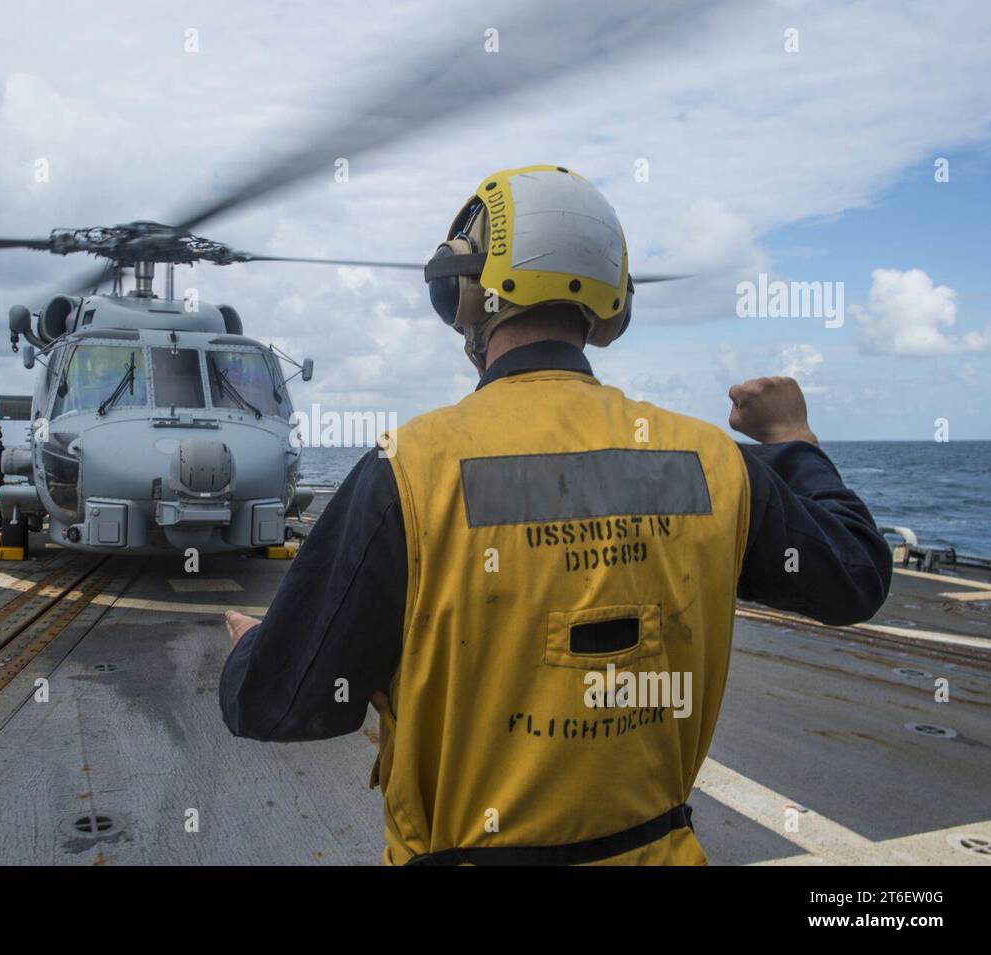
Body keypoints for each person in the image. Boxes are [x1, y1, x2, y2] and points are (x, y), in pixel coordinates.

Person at [218, 165, 892, 866]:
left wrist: (249, 654)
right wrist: (793, 439)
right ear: (607, 308)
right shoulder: (715, 461)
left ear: (470, 294)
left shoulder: (409, 466)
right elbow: (855, 576)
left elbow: (281, 703)